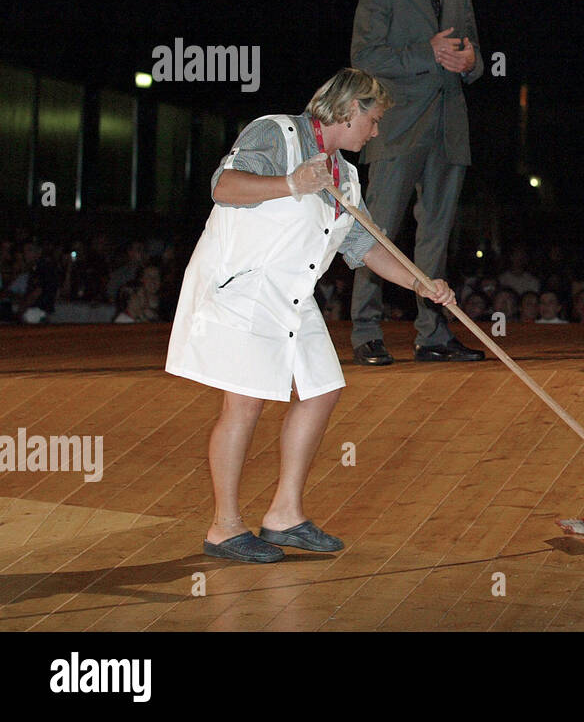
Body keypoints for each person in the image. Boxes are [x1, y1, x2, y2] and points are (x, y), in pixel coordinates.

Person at [166, 68, 456, 563]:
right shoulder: (275, 132)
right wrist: (290, 182)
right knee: (246, 403)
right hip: (245, 287)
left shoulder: (344, 173)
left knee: (323, 389)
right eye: (376, 118)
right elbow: (224, 186)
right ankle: (224, 528)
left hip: (294, 293)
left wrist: (419, 284)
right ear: (349, 110)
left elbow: (363, 246)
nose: (377, 131)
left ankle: (284, 515)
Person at [349, 0, 485, 366]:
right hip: (397, 127)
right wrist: (425, 53)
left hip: (448, 128)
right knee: (377, 232)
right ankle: (367, 332)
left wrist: (470, 62)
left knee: (436, 235)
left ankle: (432, 333)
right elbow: (365, 59)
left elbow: (474, 59)